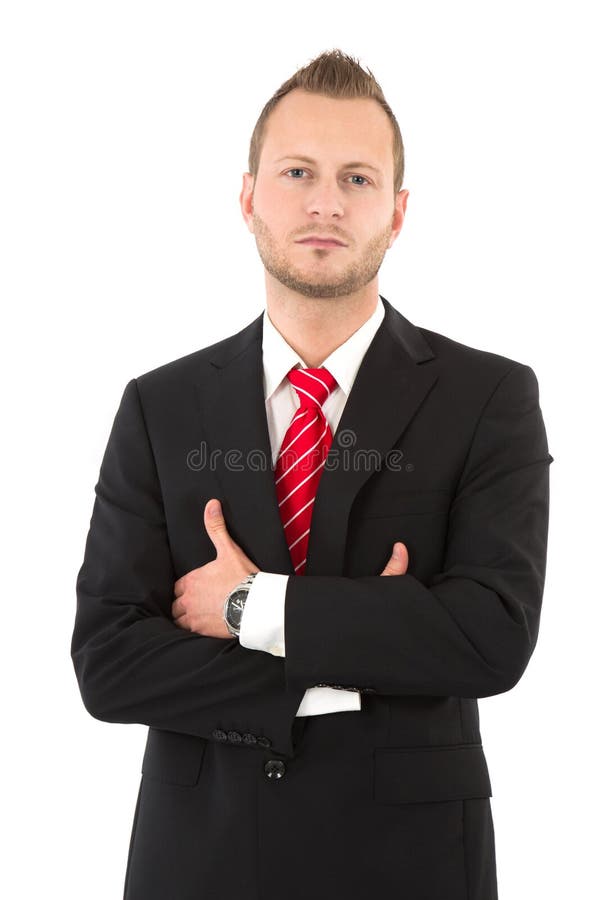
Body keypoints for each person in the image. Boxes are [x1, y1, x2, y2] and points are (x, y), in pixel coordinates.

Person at [72, 48, 553, 900]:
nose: (325, 202)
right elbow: (108, 663)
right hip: (201, 858)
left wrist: (251, 608)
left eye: (357, 179)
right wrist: (376, 633)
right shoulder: (160, 405)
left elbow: (491, 637)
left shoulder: (489, 398)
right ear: (248, 196)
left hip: (410, 863)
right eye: (297, 172)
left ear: (397, 213)